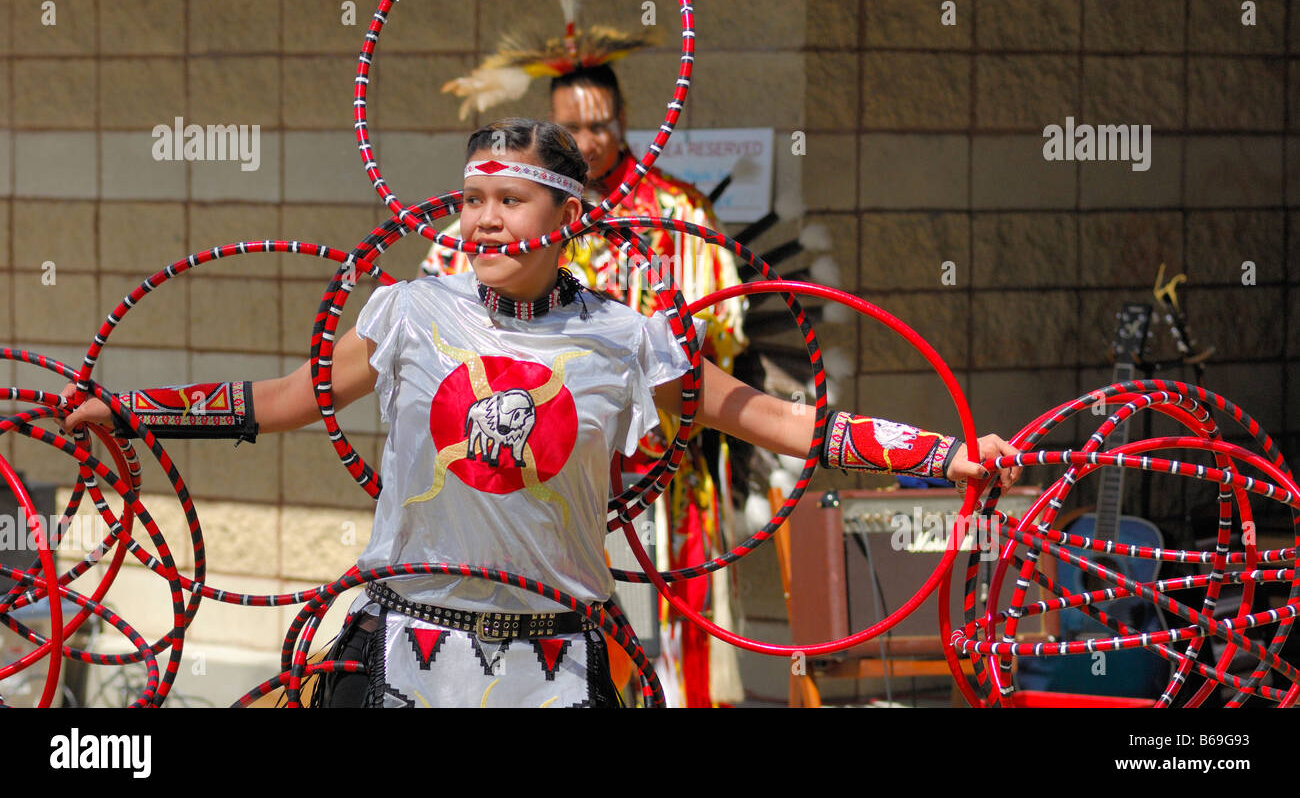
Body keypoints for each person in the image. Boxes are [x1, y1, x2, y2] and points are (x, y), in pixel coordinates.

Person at [62, 119, 1021, 708]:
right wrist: (129, 412)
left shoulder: (626, 339)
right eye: (473, 198)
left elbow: (775, 422)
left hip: (560, 662)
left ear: (565, 217)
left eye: (509, 201)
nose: (482, 219)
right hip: (404, 641)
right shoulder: (407, 312)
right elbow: (281, 401)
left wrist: (946, 456)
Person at [428, 63, 751, 706]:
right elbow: (445, 327)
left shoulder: (678, 211)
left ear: (624, 119)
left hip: (660, 472)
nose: (589, 141)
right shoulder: (499, 213)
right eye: (570, 127)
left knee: (668, 643)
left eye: (599, 125)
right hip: (533, 470)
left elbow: (714, 348)